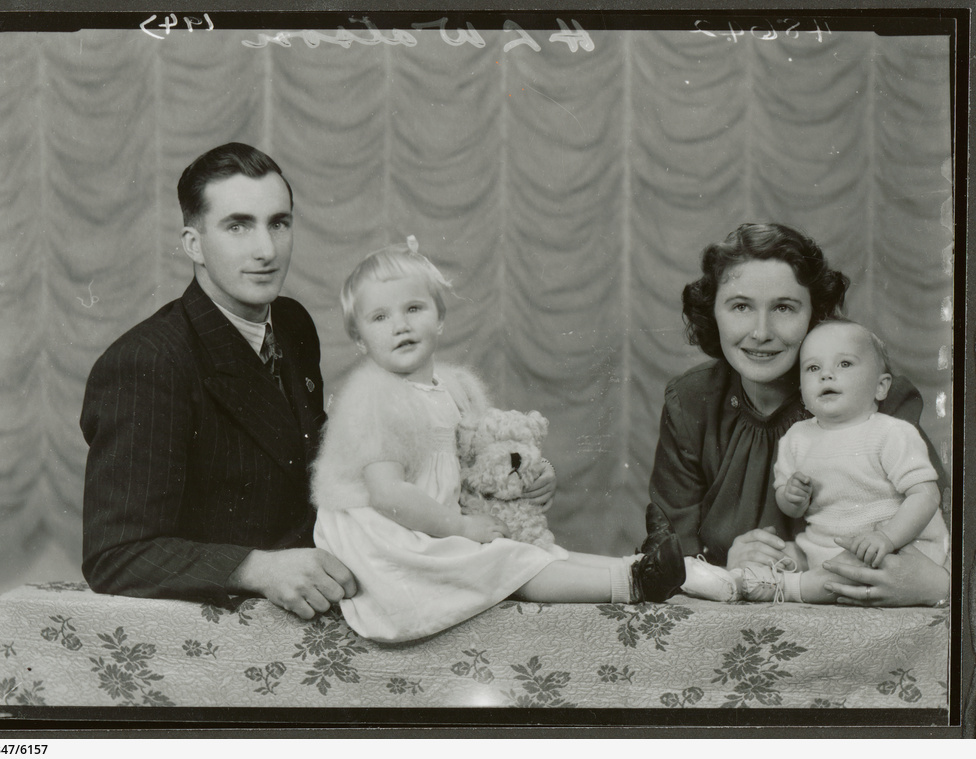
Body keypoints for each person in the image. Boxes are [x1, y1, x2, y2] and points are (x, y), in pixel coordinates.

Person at [310, 240, 685, 642]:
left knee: (525, 549)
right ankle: (631, 584)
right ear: (360, 340)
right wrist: (459, 527)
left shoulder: (452, 387)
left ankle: (639, 567)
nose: (400, 325)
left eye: (413, 309)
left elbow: (487, 457)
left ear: (439, 318)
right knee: (504, 561)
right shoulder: (374, 398)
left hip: (436, 519)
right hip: (388, 538)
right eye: (379, 317)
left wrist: (541, 474)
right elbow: (388, 495)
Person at [81, 142, 357, 618]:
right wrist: (256, 570)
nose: (266, 250)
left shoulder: (291, 323)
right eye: (238, 226)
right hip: (216, 632)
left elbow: (313, 465)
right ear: (194, 244)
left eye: (279, 223)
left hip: (317, 598)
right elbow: (114, 555)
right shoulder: (147, 361)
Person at [649, 222, 949, 607]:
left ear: (814, 316)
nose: (761, 332)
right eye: (741, 306)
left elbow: (946, 539)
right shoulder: (691, 401)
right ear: (714, 312)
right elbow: (673, 555)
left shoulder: (867, 395)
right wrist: (720, 564)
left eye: (784, 308)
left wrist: (940, 588)